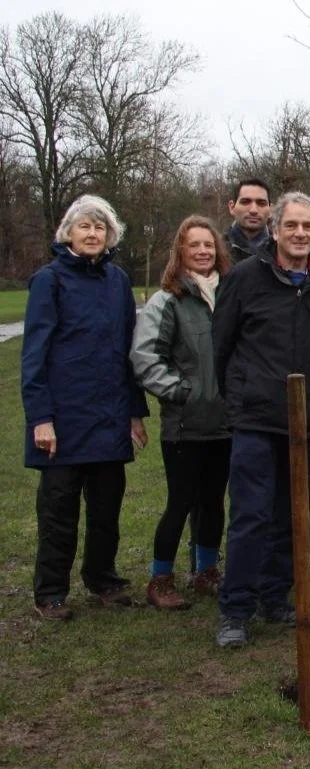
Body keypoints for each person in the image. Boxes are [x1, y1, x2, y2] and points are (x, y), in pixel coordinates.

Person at [212, 192, 310, 647]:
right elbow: (223, 347)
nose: (300, 234)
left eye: (308, 227)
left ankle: (275, 596)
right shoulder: (246, 279)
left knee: (293, 517)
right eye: (291, 226)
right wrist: (239, 401)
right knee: (250, 514)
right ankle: (236, 607)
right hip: (257, 419)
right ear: (274, 230)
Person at [21, 195, 149, 620]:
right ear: (68, 233)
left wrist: (134, 413)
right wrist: (41, 418)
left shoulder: (118, 281)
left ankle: (102, 578)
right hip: (63, 418)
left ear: (110, 235)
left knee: (106, 508)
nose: (93, 234)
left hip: (109, 416)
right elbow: (34, 354)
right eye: (85, 227)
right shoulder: (49, 280)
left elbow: (127, 353)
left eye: (100, 228)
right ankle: (51, 592)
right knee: (58, 509)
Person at [130, 216, 232, 610]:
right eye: (195, 245)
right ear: (181, 251)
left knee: (213, 502)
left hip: (224, 423)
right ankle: (161, 577)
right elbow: (145, 358)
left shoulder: (227, 295)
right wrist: (182, 392)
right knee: (180, 501)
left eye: (209, 245)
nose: (203, 251)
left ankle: (206, 571)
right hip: (185, 424)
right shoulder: (167, 300)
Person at [225, 178, 272, 263]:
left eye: (261, 203)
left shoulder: (283, 251)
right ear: (232, 207)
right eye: (245, 202)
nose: (253, 210)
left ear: (270, 210)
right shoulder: (215, 251)